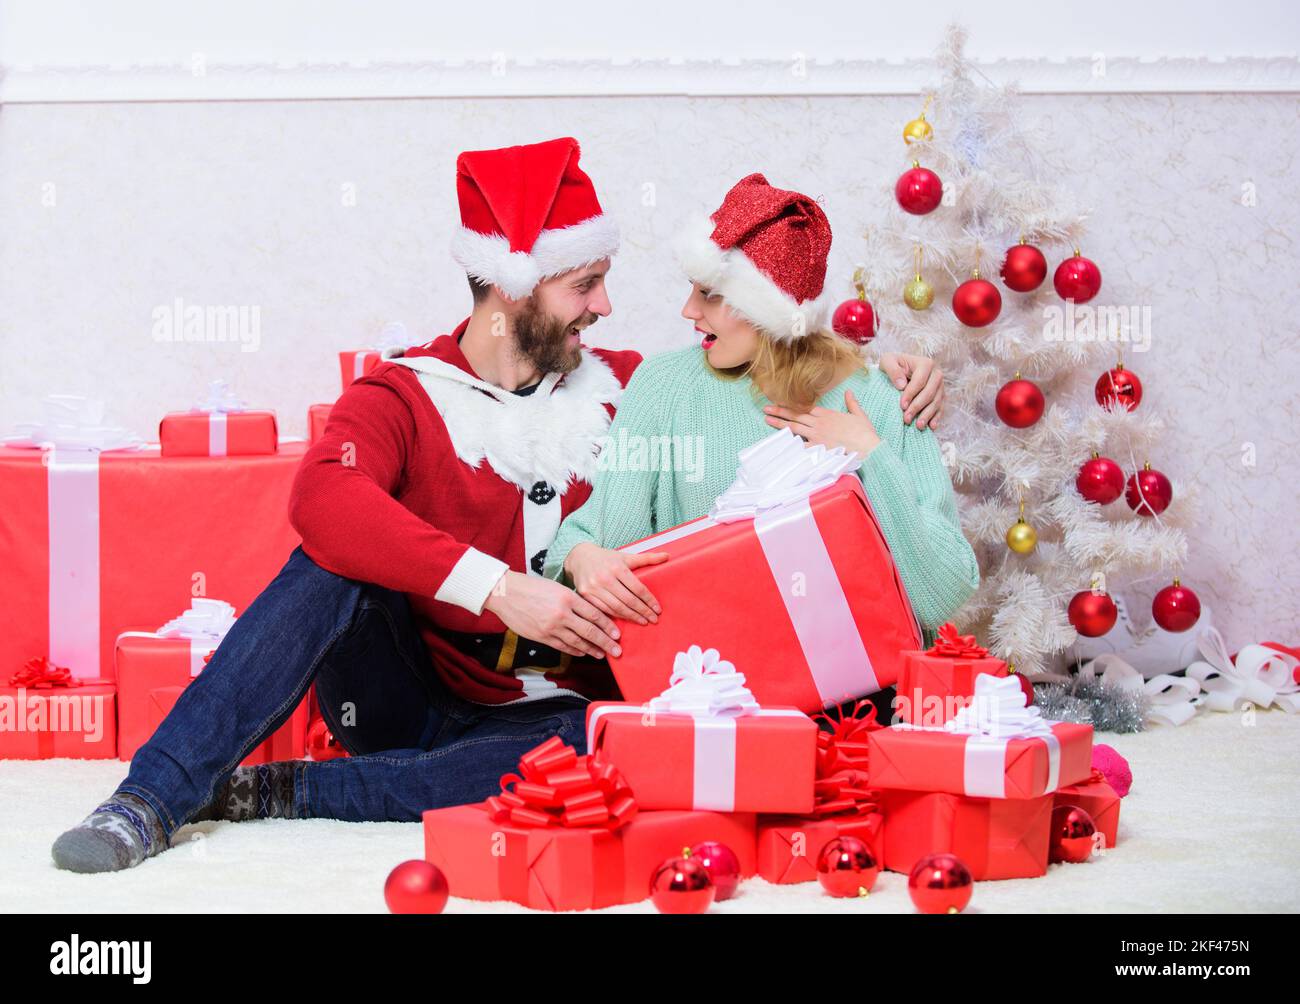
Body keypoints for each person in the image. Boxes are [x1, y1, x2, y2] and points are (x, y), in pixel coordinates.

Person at [51, 141, 948, 873]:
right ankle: (153, 795)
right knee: (331, 561)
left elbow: (756, 361)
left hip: (558, 716)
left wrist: (891, 377)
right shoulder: (402, 395)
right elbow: (323, 497)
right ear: (515, 288)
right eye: (584, 285)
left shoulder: (633, 385)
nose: (606, 305)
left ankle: (279, 791)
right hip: (413, 693)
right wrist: (496, 587)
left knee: (625, 748)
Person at [546, 173, 979, 659]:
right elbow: (612, 544)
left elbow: (942, 593)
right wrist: (580, 556)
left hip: (853, 697)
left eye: (709, 293)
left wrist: (870, 460)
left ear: (767, 310)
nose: (688, 310)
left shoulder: (885, 399)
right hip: (705, 686)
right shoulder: (664, 386)